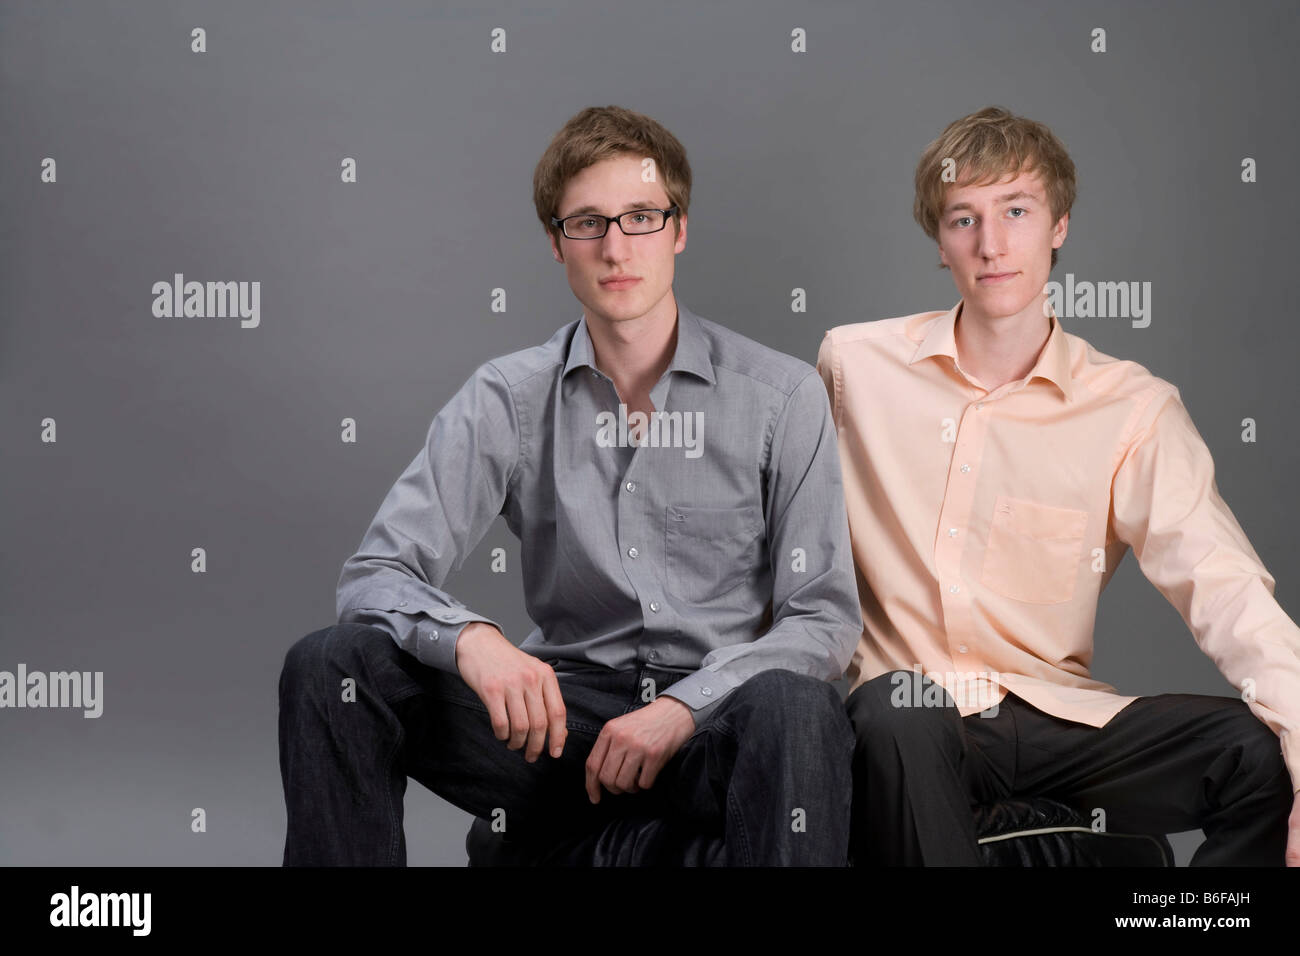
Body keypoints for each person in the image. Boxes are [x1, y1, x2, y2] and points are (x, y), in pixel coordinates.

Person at [279, 104, 862, 866]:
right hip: (560, 730)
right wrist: (472, 641)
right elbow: (377, 573)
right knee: (333, 663)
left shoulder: (782, 397)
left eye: (642, 218)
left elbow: (821, 620)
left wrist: (683, 708)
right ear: (557, 244)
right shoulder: (509, 397)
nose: (616, 247)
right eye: (588, 223)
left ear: (679, 230)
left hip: (716, 729)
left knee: (796, 705)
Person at [817, 105, 1300, 866]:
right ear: (940, 244)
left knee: (1254, 750)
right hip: (908, 717)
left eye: (1016, 210)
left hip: (1054, 723)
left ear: (1059, 226)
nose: (992, 244)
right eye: (962, 219)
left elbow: (1224, 585)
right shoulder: (854, 367)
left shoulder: (1132, 407)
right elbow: (775, 534)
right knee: (893, 709)